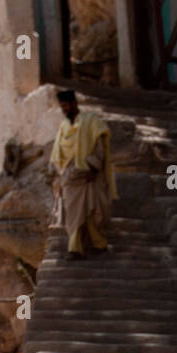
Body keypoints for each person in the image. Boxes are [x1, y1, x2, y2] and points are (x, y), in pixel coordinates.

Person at [49, 89, 116, 260]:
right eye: (61, 106)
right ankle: (75, 248)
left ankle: (99, 245)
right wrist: (62, 175)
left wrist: (93, 169)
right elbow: (59, 155)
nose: (64, 109)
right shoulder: (64, 127)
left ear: (74, 104)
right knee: (72, 214)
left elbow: (100, 146)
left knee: (92, 212)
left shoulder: (91, 121)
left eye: (66, 105)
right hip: (71, 177)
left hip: (89, 174)